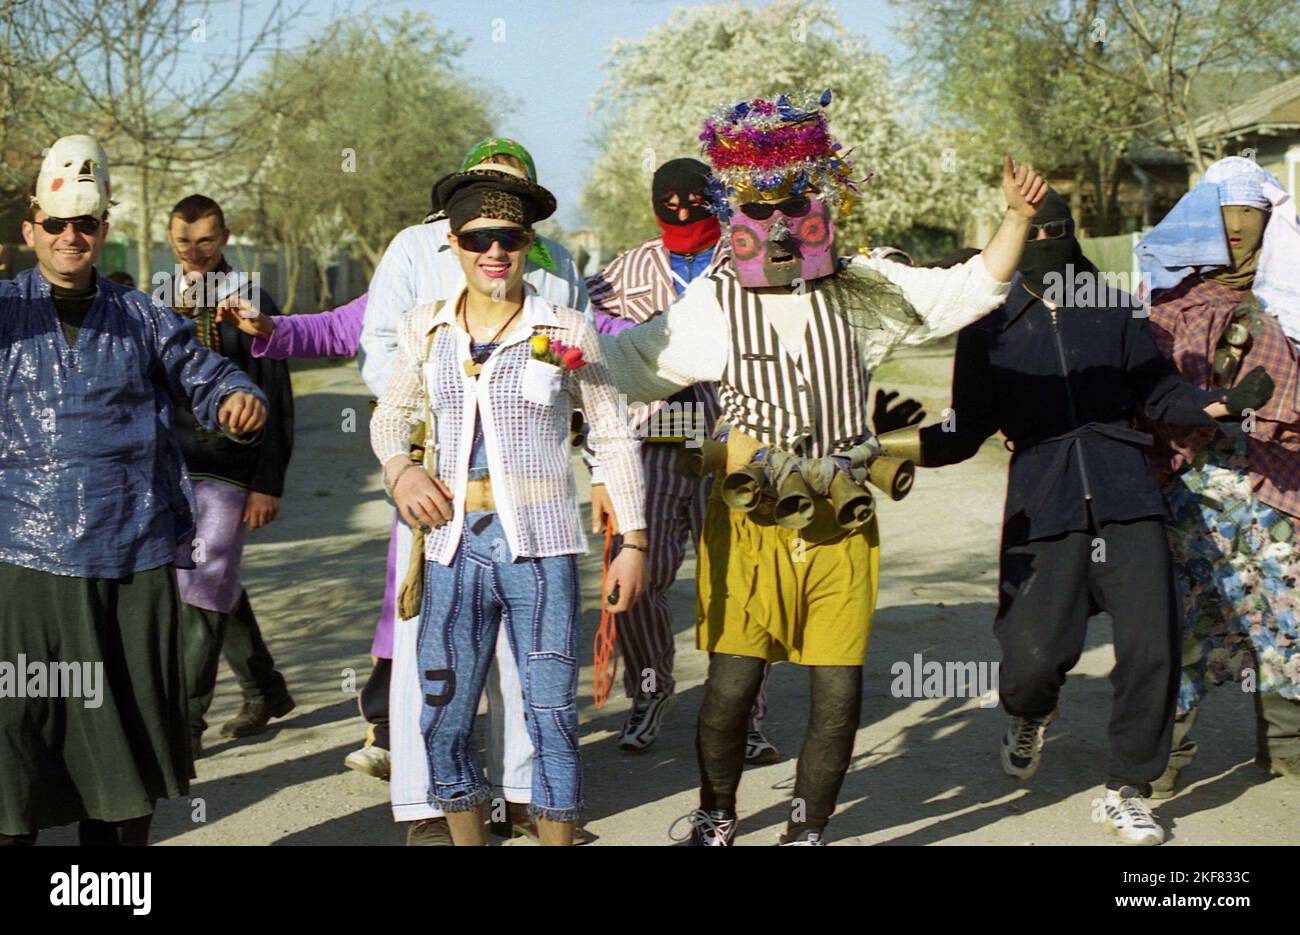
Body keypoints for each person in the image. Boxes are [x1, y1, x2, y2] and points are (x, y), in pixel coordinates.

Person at [599, 91, 1048, 844]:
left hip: (841, 515)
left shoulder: (864, 290)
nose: (775, 224)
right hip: (747, 516)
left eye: (791, 203)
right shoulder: (713, 302)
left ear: (818, 200)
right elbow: (629, 361)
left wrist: (1016, 220)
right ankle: (716, 812)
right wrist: (552, 340)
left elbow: (965, 290)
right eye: (757, 205)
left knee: (838, 688)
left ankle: (806, 828)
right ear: (734, 208)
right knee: (732, 687)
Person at [885, 190, 1274, 845]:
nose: (1051, 245)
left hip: (1125, 490)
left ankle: (1127, 788)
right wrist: (898, 445)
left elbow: (1160, 394)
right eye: (1039, 233)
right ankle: (1029, 712)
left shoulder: (1115, 306)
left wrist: (1223, 405)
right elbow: (968, 425)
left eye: (1061, 231)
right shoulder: (988, 320)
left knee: (1152, 647)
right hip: (1045, 496)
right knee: (1033, 657)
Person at [0, 136, 266, 845]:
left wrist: (237, 395)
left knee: (126, 740)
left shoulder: (141, 314)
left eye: (84, 223)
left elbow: (203, 371)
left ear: (104, 231)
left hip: (133, 552)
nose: (69, 237)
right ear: (30, 228)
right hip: (25, 559)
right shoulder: (6, 313)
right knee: (18, 734)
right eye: (55, 223)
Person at [370, 164, 647, 845]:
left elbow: (611, 431)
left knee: (550, 711)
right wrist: (401, 468)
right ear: (455, 246)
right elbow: (389, 416)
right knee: (445, 710)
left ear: (529, 244)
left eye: (511, 238)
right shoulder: (425, 329)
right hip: (452, 547)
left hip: (542, 547)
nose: (495, 252)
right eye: (478, 238)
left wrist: (633, 541)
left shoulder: (568, 329)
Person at [583, 157, 779, 760]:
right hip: (653, 440)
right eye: (668, 198)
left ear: (717, 198)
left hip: (737, 439)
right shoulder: (623, 271)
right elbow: (592, 358)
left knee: (744, 577)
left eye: (696, 197)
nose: (683, 207)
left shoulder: (750, 253)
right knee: (636, 572)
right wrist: (597, 465)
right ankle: (651, 689)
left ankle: (743, 711)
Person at [1136, 156, 1300, 792]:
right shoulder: (1171, 297)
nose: (1236, 228)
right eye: (1223, 215)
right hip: (1194, 483)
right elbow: (1145, 388)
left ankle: (1285, 744)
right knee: (1188, 612)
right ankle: (1168, 755)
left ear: (1269, 221)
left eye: (1249, 215)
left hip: (1279, 480)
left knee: (1285, 607)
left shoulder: (1291, 293)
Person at [165, 194, 296, 758]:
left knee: (204, 578)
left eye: (206, 241)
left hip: (233, 468)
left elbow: (278, 396)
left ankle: (184, 724)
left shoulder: (251, 300)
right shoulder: (157, 300)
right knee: (208, 582)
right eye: (182, 242)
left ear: (226, 237)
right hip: (171, 466)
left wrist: (269, 482)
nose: (194, 253)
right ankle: (265, 690)